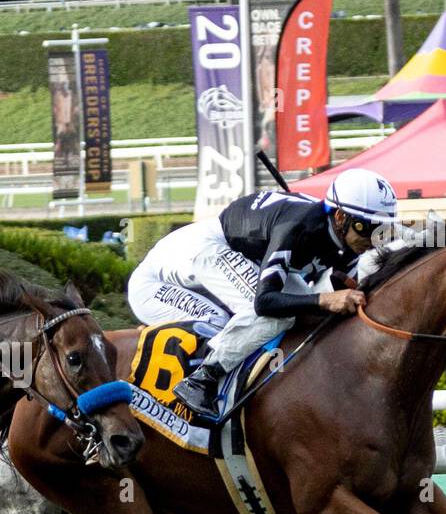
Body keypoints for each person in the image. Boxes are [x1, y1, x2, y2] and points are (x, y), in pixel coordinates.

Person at [126, 167, 397, 419]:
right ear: (340, 217)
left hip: (234, 252)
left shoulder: (348, 242)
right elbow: (266, 302)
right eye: (368, 228)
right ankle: (201, 380)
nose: (375, 239)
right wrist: (325, 299)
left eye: (383, 231)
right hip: (189, 255)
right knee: (266, 315)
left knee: (301, 314)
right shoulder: (298, 226)